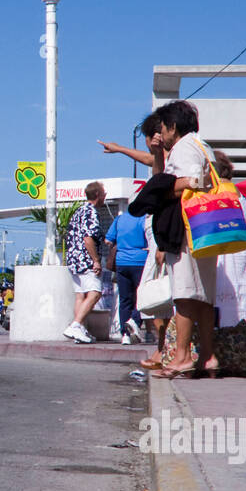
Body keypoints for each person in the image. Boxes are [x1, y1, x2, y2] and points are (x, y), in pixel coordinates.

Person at [105, 112, 173, 367]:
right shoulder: (167, 156)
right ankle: (163, 348)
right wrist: (120, 149)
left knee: (155, 293)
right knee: (156, 294)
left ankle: (162, 346)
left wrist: (162, 243)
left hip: (163, 235)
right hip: (158, 239)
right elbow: (151, 163)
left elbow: (159, 176)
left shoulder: (174, 156)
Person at [158, 100, 219, 378]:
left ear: (173, 127)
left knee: (183, 294)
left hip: (187, 229)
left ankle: (182, 356)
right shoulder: (202, 145)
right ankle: (208, 356)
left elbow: (194, 180)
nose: (161, 133)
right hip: (206, 227)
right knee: (204, 295)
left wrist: (164, 187)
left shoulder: (183, 147)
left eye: (163, 127)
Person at [212, 151, 246, 337]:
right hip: (242, 248)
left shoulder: (216, 191)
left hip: (222, 247)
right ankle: (242, 333)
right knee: (242, 291)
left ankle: (222, 333)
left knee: (221, 291)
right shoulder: (240, 193)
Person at [63, 181, 106, 344]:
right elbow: (88, 238)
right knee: (95, 293)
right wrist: (96, 260)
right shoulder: (91, 212)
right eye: (104, 193)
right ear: (97, 195)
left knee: (80, 295)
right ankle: (75, 325)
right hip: (86, 260)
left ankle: (79, 330)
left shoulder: (79, 211)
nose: (105, 196)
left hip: (74, 260)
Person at [104, 207, 148, 345]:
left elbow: (108, 240)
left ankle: (125, 335)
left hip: (121, 262)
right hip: (140, 261)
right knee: (142, 296)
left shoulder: (119, 219)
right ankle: (134, 321)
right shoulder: (144, 218)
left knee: (125, 300)